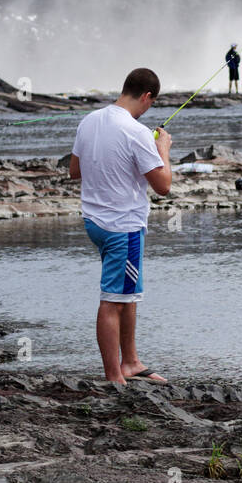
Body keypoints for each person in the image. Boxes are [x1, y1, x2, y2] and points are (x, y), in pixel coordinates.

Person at [69, 67, 173, 385]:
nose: (148, 109)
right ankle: (114, 375)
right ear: (146, 97)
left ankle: (131, 361)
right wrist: (163, 149)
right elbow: (163, 185)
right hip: (122, 227)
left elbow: (75, 171)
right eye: (151, 103)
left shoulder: (89, 121)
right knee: (112, 300)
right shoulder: (137, 132)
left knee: (128, 293)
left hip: (95, 222)